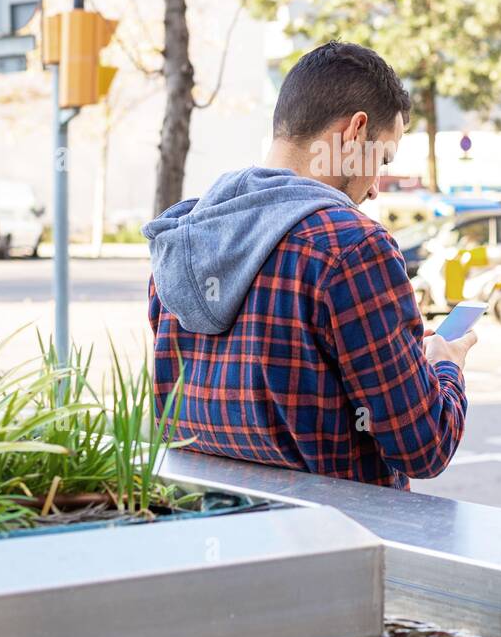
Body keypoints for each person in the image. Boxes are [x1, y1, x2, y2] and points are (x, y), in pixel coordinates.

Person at [143, 41, 476, 490]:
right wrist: (443, 365)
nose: (375, 187)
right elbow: (423, 445)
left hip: (206, 525)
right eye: (382, 158)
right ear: (356, 132)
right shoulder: (353, 247)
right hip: (331, 544)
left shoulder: (184, 236)